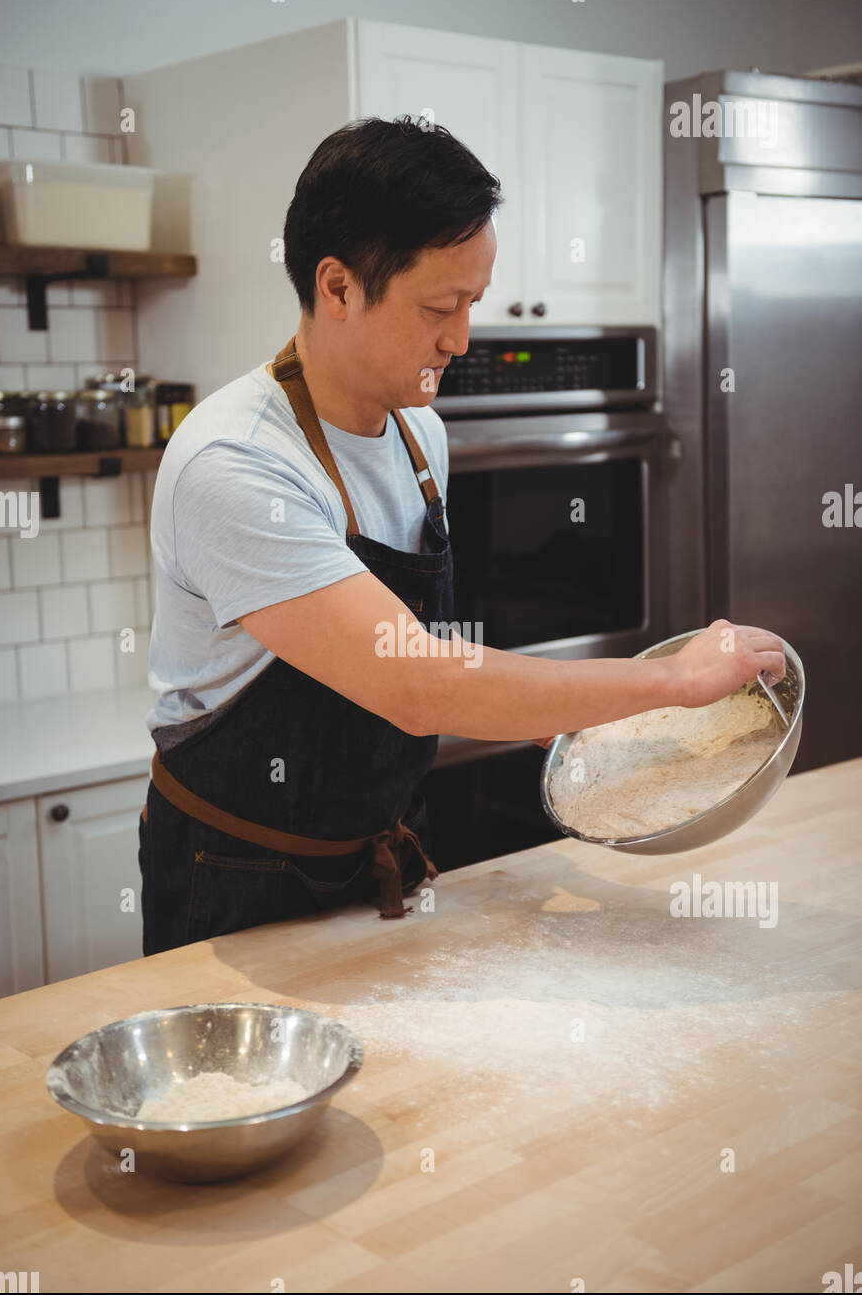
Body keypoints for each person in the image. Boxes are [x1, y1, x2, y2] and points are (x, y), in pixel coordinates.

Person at [138, 115, 785, 955]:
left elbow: (425, 651)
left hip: (390, 851)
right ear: (336, 288)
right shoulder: (235, 463)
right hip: (239, 879)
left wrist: (579, 723)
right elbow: (417, 684)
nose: (461, 339)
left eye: (471, 304)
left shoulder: (418, 435)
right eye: (440, 307)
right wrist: (671, 681)